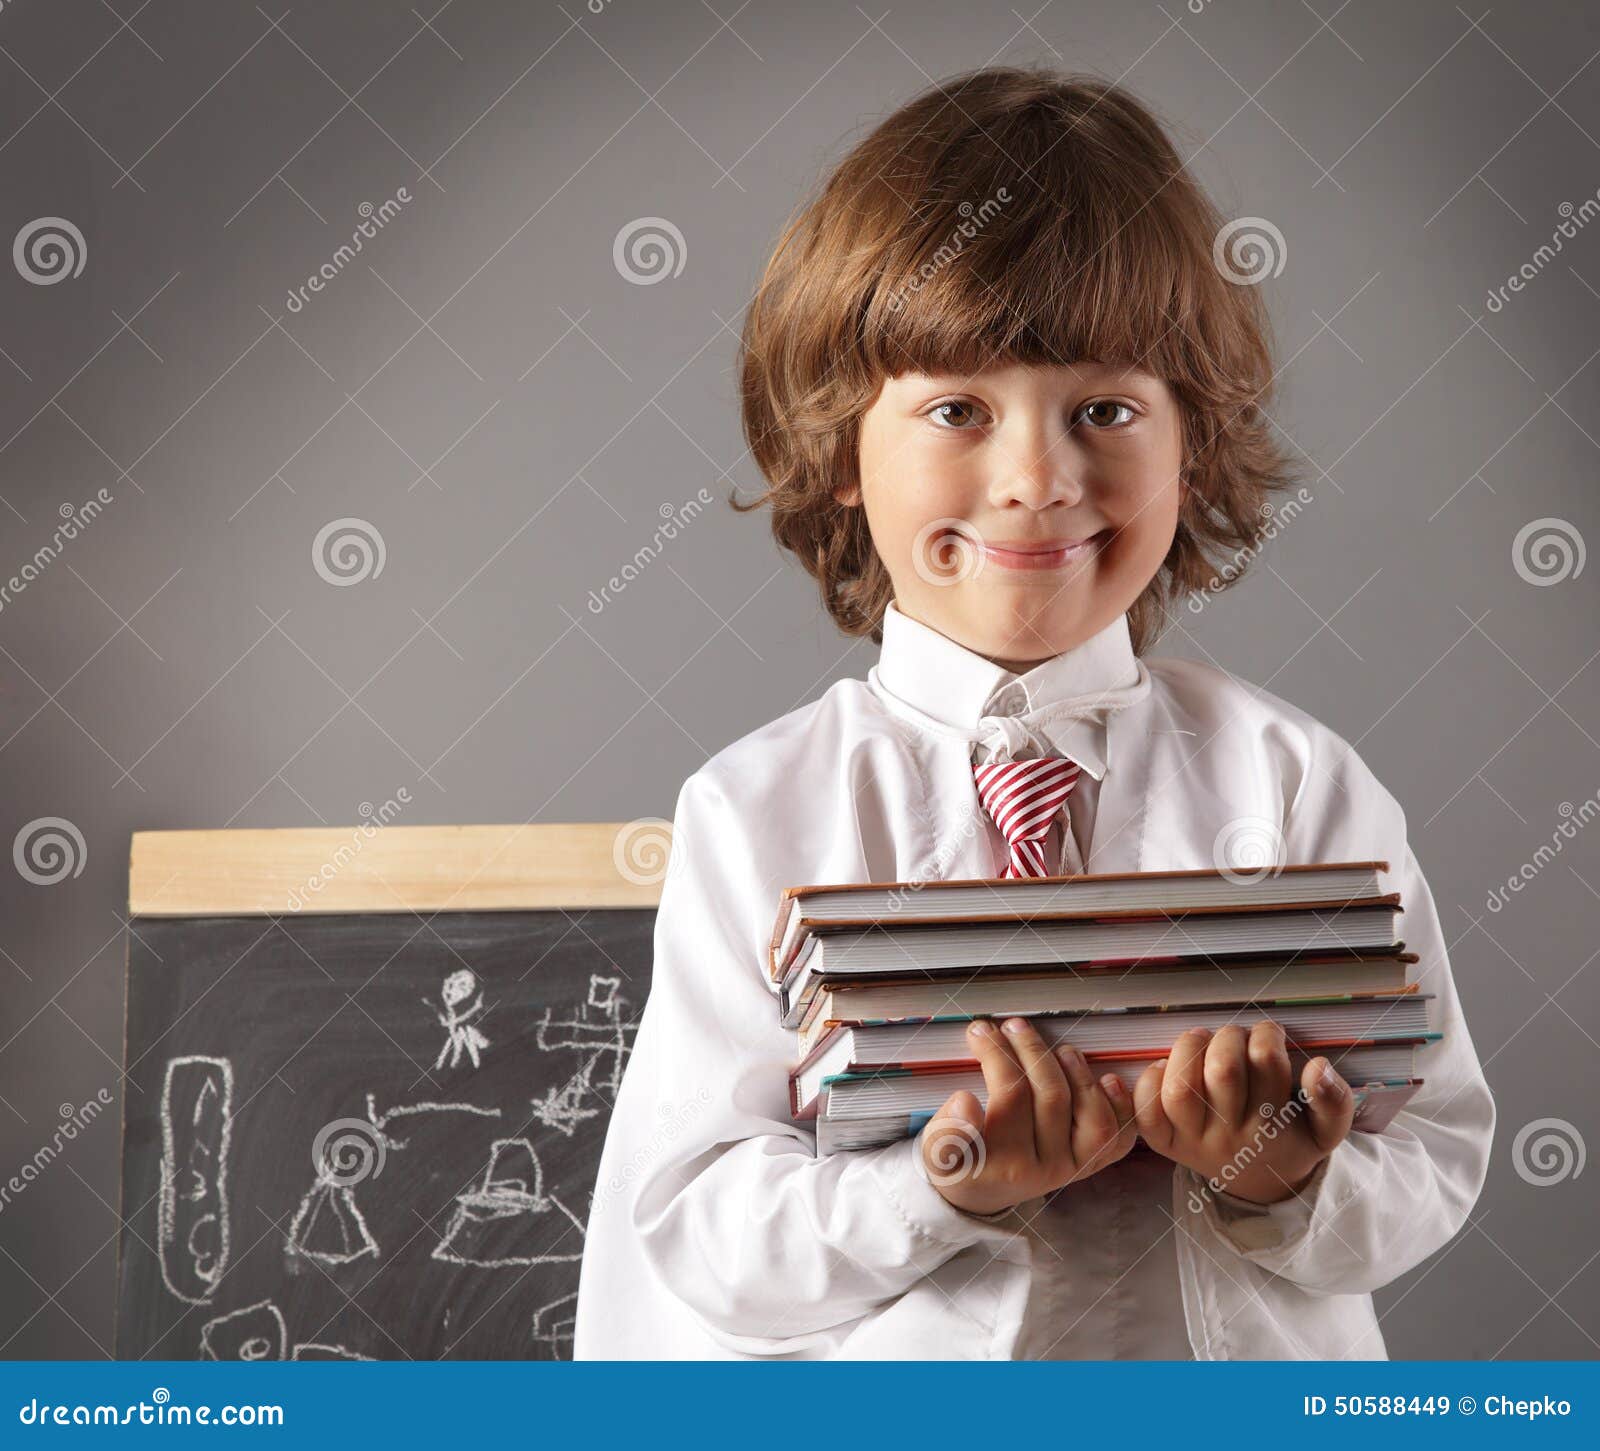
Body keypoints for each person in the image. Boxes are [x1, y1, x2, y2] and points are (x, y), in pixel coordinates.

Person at [572, 65, 1494, 1360]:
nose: (1039, 479)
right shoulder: (755, 814)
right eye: (958, 408)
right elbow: (697, 1220)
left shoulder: (1298, 785)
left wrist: (1280, 1173)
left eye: (1106, 409)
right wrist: (937, 1182)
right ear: (841, 450)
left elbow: (1435, 1149)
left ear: (1194, 443)